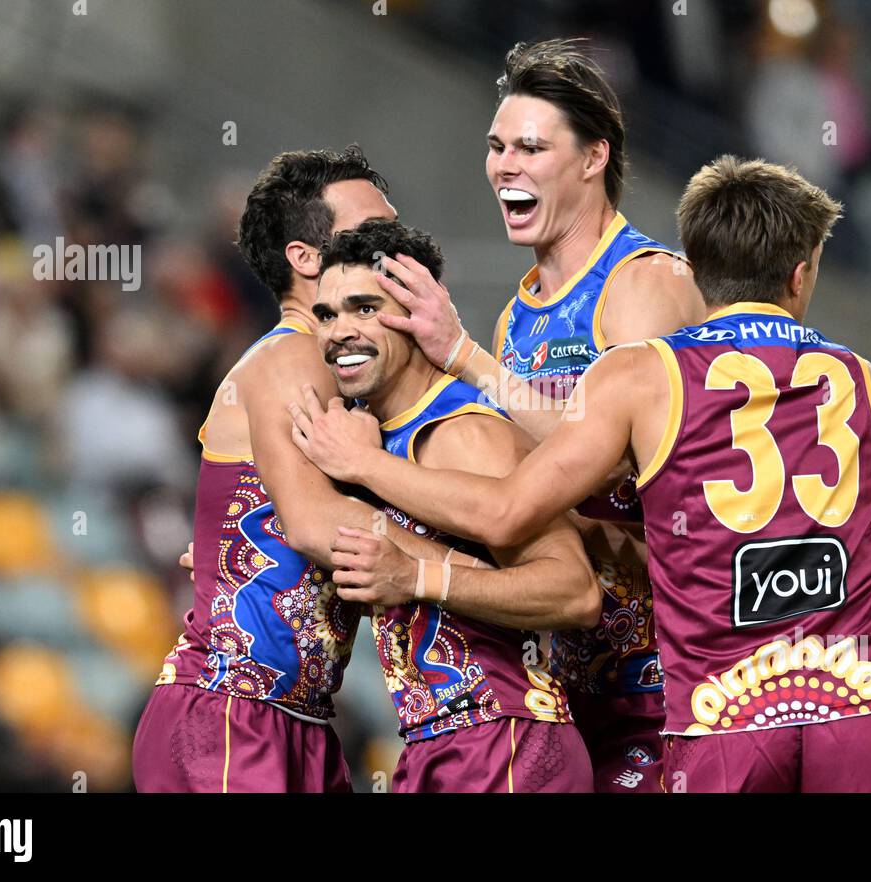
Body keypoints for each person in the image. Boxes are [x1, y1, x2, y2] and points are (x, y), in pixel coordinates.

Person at [291, 157, 871, 793]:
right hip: (857, 702)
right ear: (801, 274)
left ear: (692, 269)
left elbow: (508, 512)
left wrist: (366, 463)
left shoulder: (641, 375)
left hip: (724, 710)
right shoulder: (863, 378)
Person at [135, 148, 592, 792]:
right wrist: (469, 574)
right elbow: (316, 523)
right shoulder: (297, 359)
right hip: (239, 710)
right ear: (305, 259)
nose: (390, 245)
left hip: (313, 719)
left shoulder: (419, 416)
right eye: (367, 229)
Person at [368, 38, 705, 792]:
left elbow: (635, 465)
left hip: (667, 682)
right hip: (566, 678)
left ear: (592, 159)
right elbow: (513, 499)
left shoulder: (642, 283)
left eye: (529, 147)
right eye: (495, 146)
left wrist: (465, 358)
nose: (504, 165)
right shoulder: (518, 316)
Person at [304, 219, 598, 792]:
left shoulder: (462, 432)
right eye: (327, 314)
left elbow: (575, 590)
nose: (339, 332)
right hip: (440, 744)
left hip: (507, 745)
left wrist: (414, 574)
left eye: (364, 309)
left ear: (414, 315)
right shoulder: (382, 437)